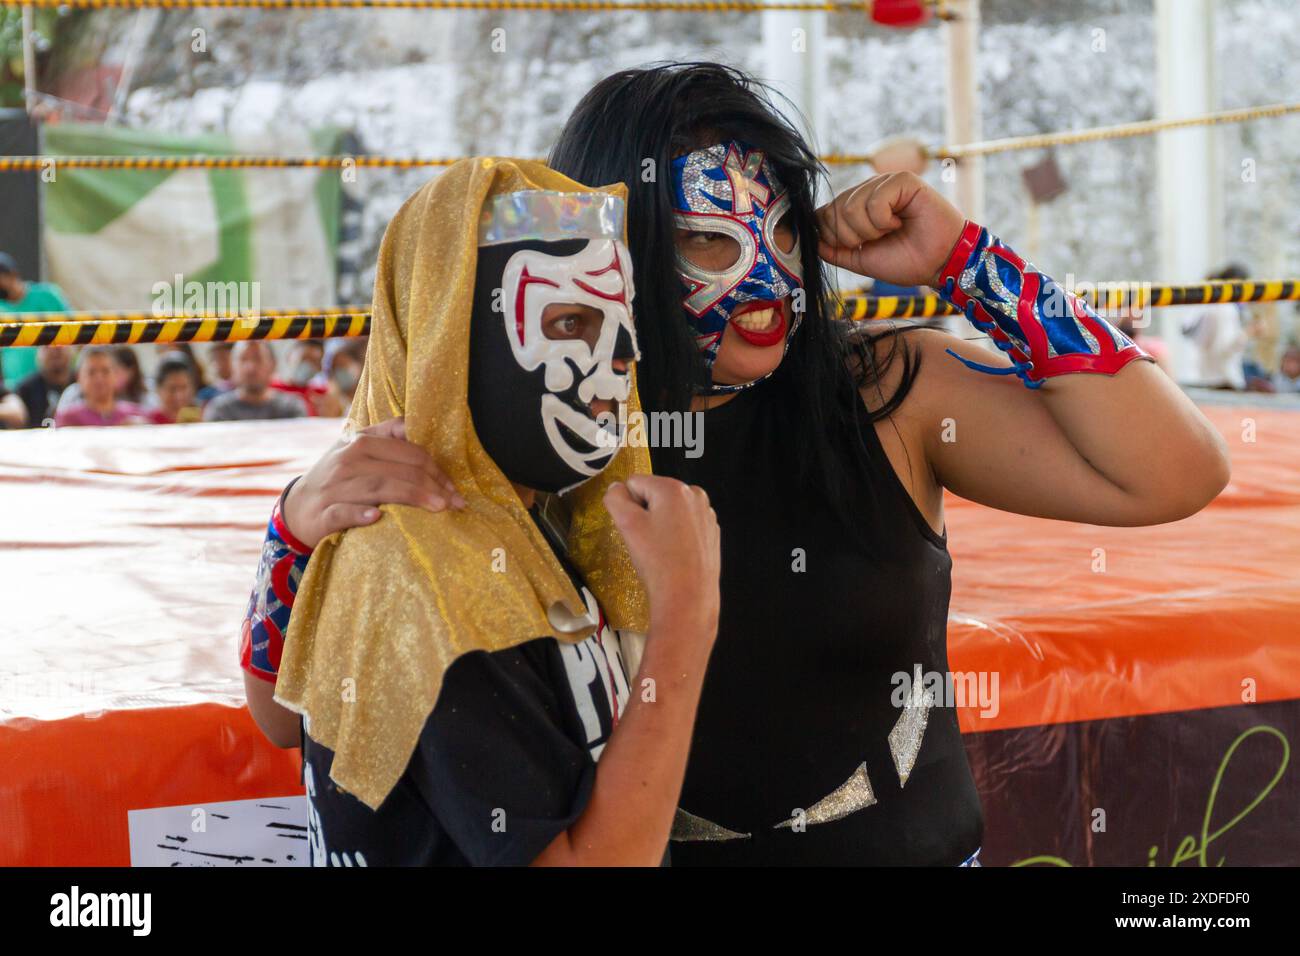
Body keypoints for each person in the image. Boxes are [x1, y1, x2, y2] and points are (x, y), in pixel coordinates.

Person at [247, 64, 1230, 866]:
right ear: (608, 247)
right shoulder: (541, 424)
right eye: (710, 241)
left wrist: (967, 262)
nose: (769, 273)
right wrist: (292, 532)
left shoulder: (888, 386)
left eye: (789, 230)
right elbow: (289, 719)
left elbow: (1175, 472)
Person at [242, 158, 721, 866]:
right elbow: (281, 715)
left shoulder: (527, 525)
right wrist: (686, 616)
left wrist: (291, 540)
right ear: (449, 342)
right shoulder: (431, 567)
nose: (620, 356)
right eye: (569, 320)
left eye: (621, 324)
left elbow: (284, 714)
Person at [0, 252, 72, 390]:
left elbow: (74, 333)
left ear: (12, 275)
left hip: (54, 382)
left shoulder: (48, 295)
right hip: (15, 386)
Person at [1181, 264, 1250, 390]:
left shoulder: (1209, 306)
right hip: (1223, 381)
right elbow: (1223, 350)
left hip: (1202, 378)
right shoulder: (1226, 308)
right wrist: (1248, 333)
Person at [203, 340, 308, 422]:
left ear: (273, 364)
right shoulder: (219, 410)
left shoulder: (291, 407)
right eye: (243, 359)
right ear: (232, 366)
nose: (250, 367)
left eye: (258, 358)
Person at [53, 346, 155, 427]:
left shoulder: (136, 414)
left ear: (116, 375)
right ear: (79, 377)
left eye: (105, 371)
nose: (99, 379)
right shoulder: (68, 418)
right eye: (91, 372)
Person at [14, 346, 73, 428]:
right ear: (39, 353)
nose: (54, 351)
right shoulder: (25, 389)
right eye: (47, 347)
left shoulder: (81, 384)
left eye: (60, 346)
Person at [153, 354, 202, 424]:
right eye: (172, 389)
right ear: (158, 389)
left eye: (184, 387)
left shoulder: (204, 418)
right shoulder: (149, 422)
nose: (179, 396)